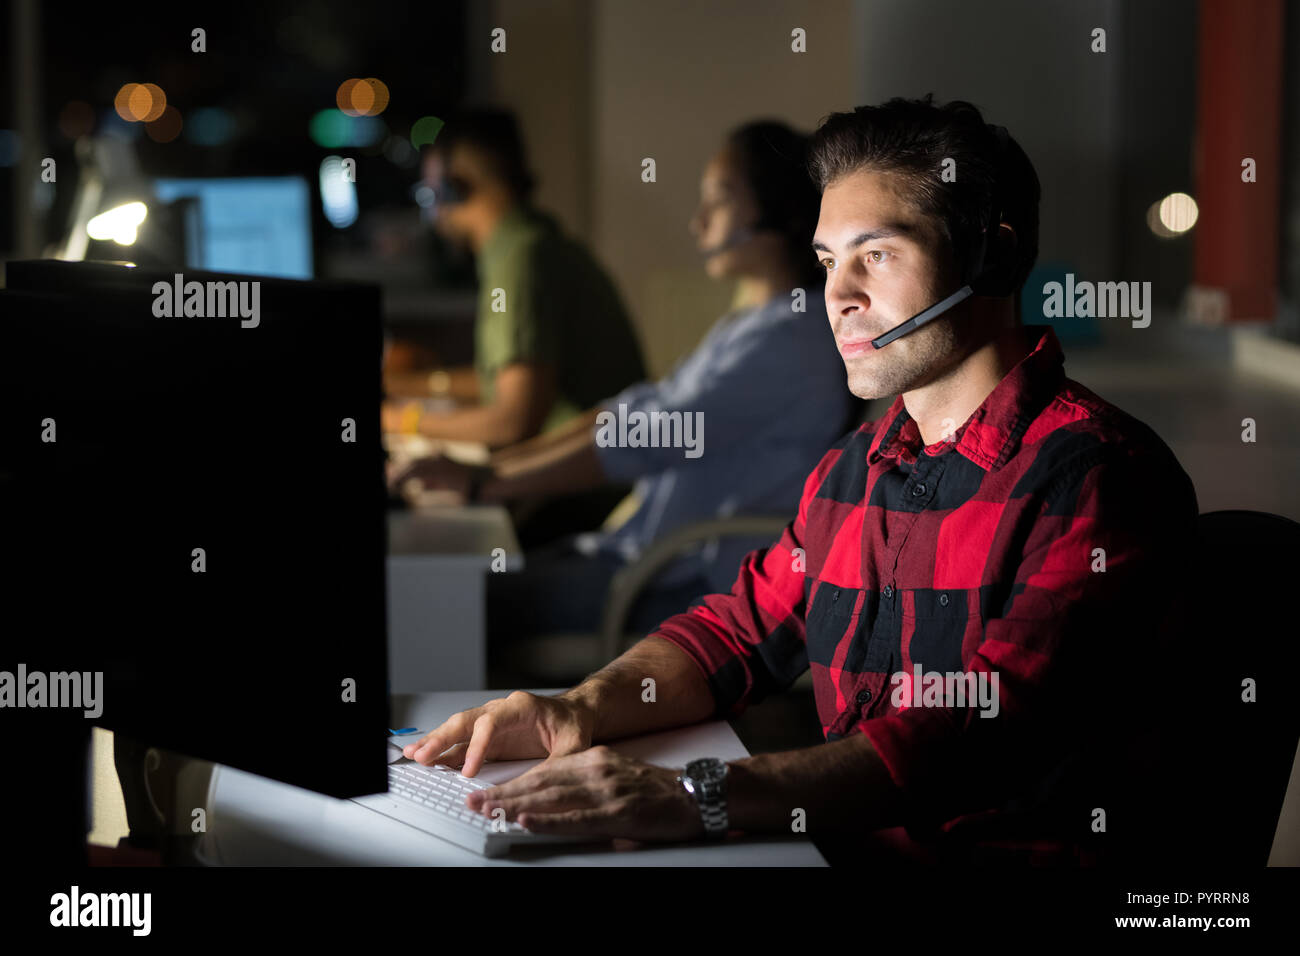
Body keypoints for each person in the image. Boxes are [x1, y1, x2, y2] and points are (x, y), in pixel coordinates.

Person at [396, 95, 1199, 866]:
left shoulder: (1098, 479)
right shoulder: (857, 468)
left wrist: (698, 795)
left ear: (991, 257)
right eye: (827, 262)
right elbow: (734, 631)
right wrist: (577, 708)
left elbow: (972, 738)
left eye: (876, 255)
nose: (837, 296)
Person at [393, 120, 861, 639]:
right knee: (458, 579)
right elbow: (630, 411)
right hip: (643, 554)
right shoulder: (756, 325)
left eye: (720, 198)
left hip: (679, 583)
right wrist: (490, 474)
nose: (699, 220)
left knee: (445, 599)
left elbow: (647, 436)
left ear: (775, 210)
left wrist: (487, 483)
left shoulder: (789, 339)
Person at [382, 108, 646, 451]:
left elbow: (513, 421)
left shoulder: (520, 258)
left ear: (454, 185)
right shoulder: (528, 242)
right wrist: (404, 386)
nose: (432, 214)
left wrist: (397, 420)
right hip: (588, 464)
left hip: (583, 477)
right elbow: (502, 381)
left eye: (429, 195)